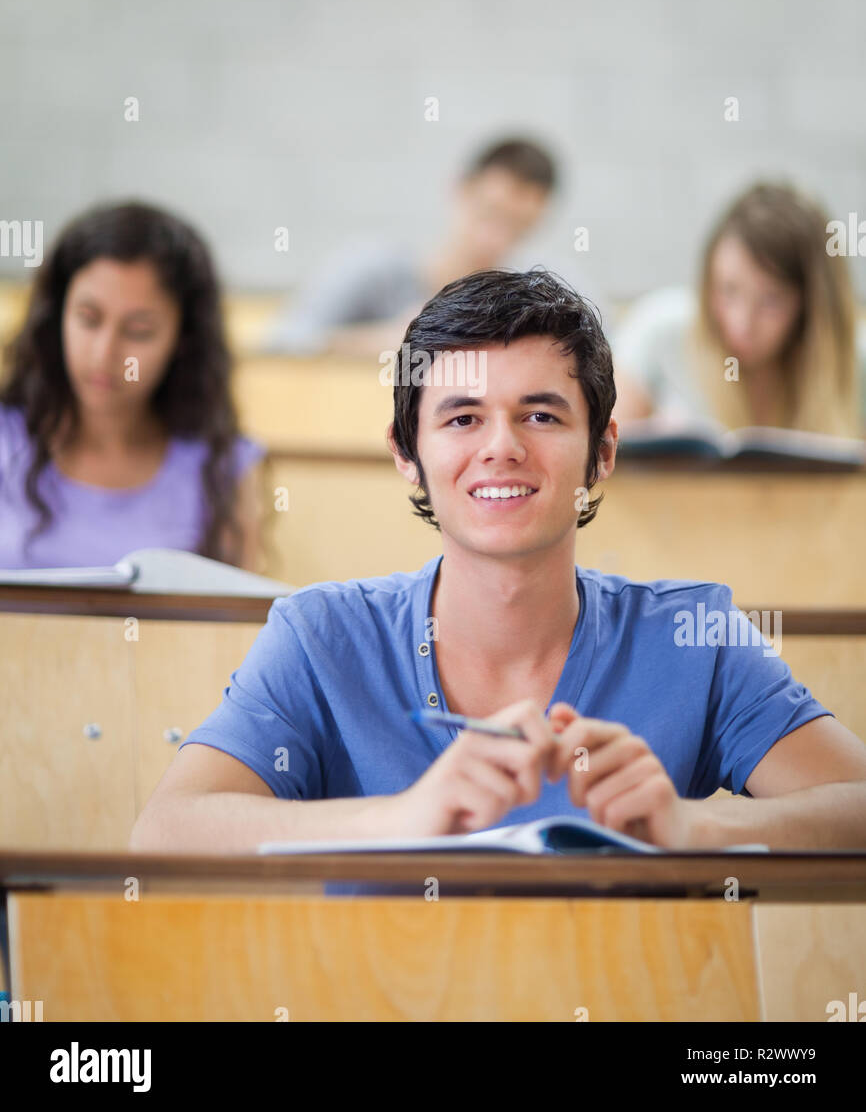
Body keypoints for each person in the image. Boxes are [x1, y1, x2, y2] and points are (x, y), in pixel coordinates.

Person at [131, 267, 866, 854]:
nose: (502, 447)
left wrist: (697, 828)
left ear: (602, 451)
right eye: (462, 418)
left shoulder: (697, 635)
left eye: (541, 415)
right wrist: (403, 820)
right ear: (407, 456)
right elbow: (165, 832)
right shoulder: (320, 636)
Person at [0, 201, 265, 571]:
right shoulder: (6, 439)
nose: (104, 354)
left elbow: (238, 623)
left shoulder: (222, 468)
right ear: (56, 315)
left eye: (138, 332)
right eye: (88, 319)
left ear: (182, 339)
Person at [263, 137, 560, 358]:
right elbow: (281, 343)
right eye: (489, 214)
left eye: (519, 226)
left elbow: (603, 349)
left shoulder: (535, 294)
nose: (497, 240)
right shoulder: (372, 269)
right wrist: (384, 342)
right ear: (460, 189)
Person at [613, 181, 866, 435]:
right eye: (728, 289)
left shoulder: (856, 364)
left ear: (811, 308)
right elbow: (603, 460)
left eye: (771, 300)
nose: (742, 323)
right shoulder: (658, 332)